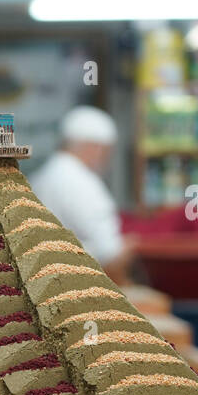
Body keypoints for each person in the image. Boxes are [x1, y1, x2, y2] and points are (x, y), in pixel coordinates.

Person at [29, 105, 132, 282]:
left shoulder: (42, 176)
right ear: (94, 147)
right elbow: (110, 254)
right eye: (106, 151)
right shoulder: (83, 183)